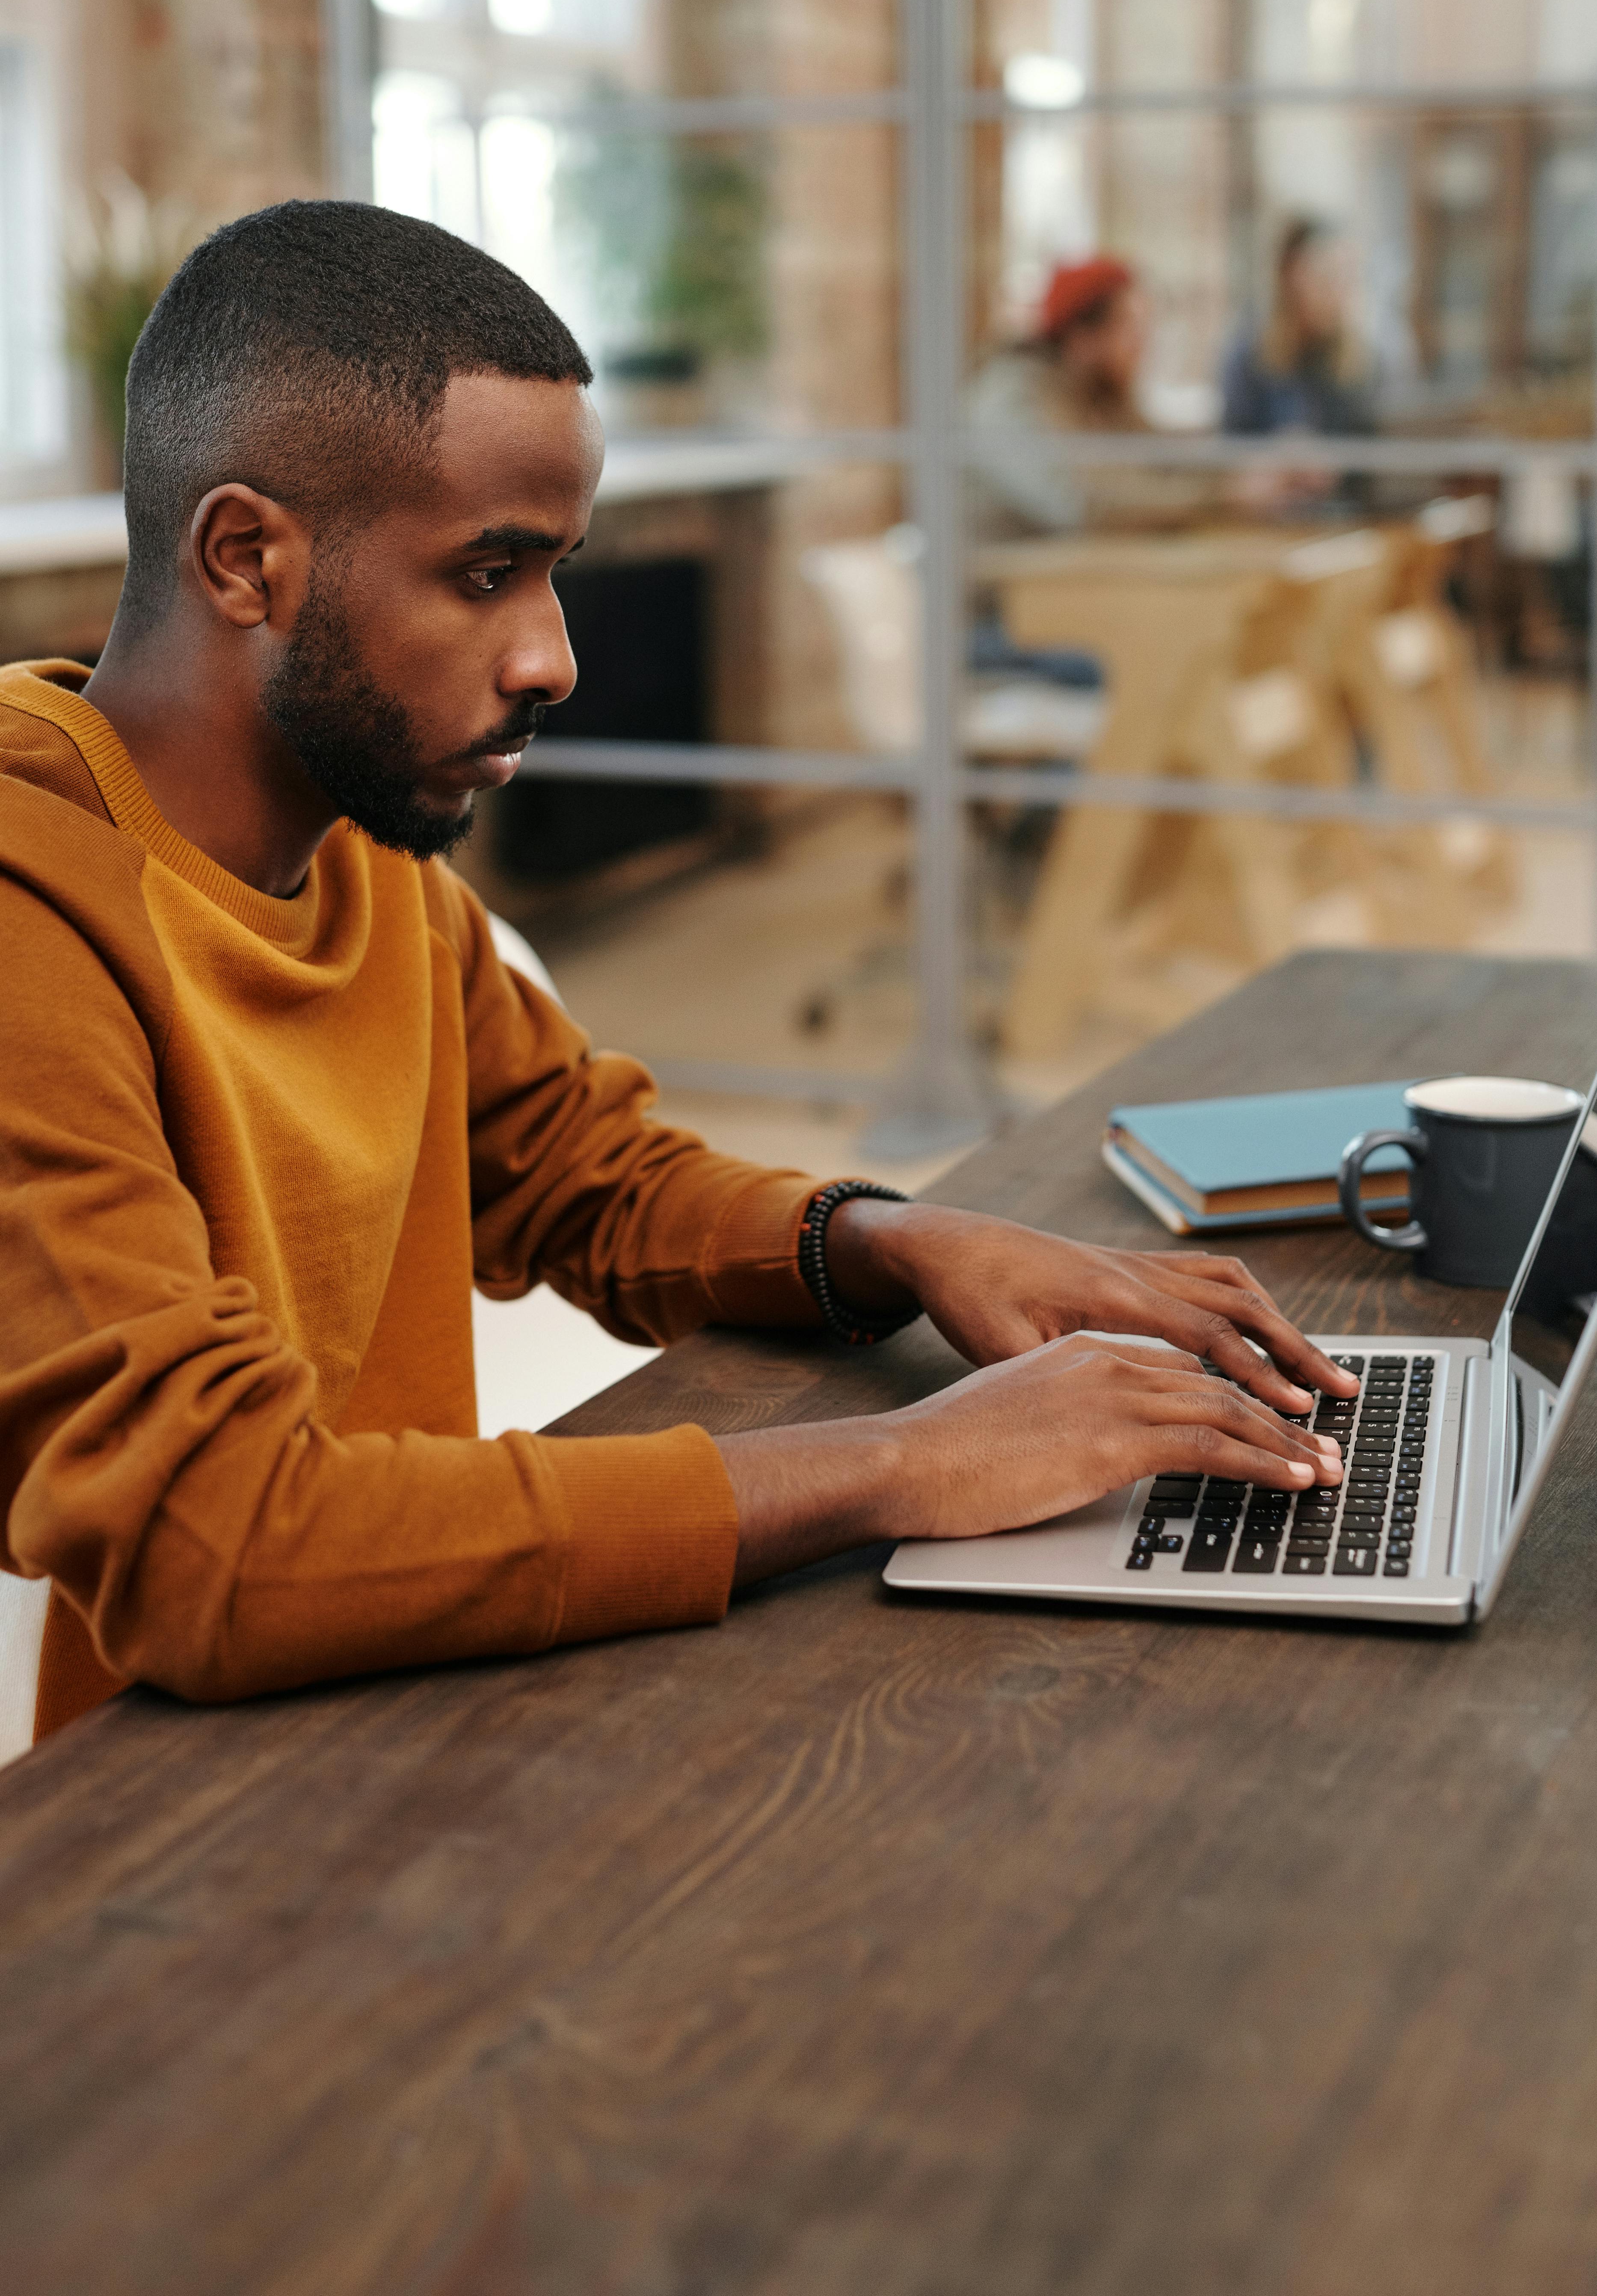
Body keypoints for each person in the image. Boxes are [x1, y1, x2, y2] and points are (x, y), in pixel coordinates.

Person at [0, 202, 1351, 1744]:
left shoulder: (361, 840)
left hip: (423, 1708)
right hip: (194, 1814)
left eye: (555, 573)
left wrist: (898, 1241)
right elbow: (219, 1545)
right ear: (247, 558)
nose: (553, 658)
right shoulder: (30, 913)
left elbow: (587, 1176)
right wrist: (908, 1460)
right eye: (487, 573)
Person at [968, 254, 1222, 539]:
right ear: (1082, 337)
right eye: (1130, 328)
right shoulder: (1010, 400)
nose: (1143, 345)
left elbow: (1160, 459)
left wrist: (1230, 477)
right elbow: (1079, 508)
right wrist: (1216, 497)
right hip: (998, 565)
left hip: (1071, 562)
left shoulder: (1098, 392)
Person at [1221, 216, 1377, 437]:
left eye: (1345, 280)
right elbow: (1231, 445)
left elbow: (1368, 448)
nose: (1335, 294)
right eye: (1325, 278)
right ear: (1290, 277)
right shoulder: (1249, 356)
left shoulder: (1361, 365)